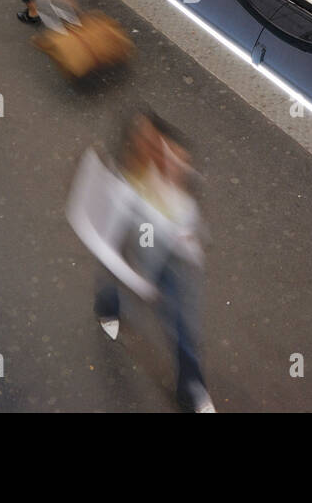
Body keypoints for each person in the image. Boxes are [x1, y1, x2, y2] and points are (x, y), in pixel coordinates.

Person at [94, 111, 213, 413]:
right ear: (131, 145)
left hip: (172, 263)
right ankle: (108, 308)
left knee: (183, 326)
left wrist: (178, 181)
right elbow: (117, 231)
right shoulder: (126, 181)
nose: (150, 145)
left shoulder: (175, 163)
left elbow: (187, 214)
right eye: (141, 140)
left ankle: (190, 388)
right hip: (137, 257)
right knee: (123, 293)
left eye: (154, 138)